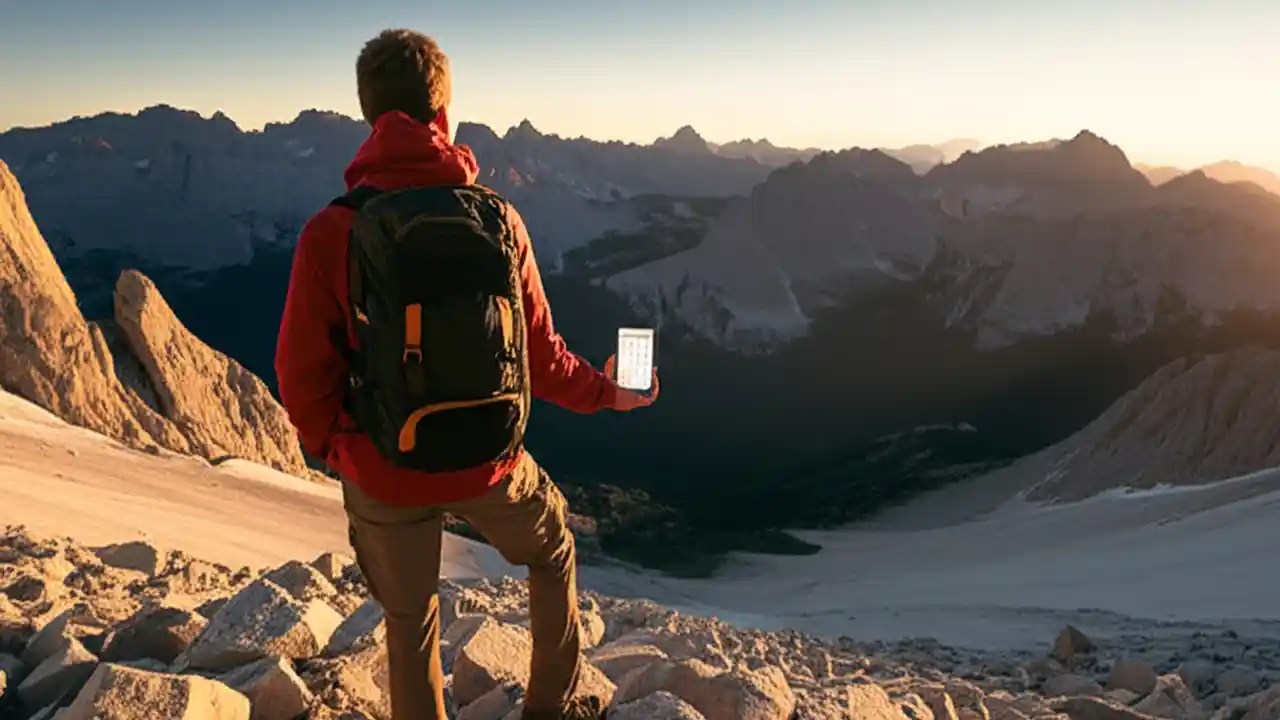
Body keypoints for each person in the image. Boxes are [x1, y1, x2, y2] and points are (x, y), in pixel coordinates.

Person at [274, 28, 659, 720]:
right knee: (553, 550)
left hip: (385, 464)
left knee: (410, 615)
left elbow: (300, 378)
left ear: (368, 114)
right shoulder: (500, 219)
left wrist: (347, 448)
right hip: (489, 462)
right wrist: (609, 393)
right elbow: (543, 359)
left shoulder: (332, 230)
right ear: (444, 117)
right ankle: (551, 706)